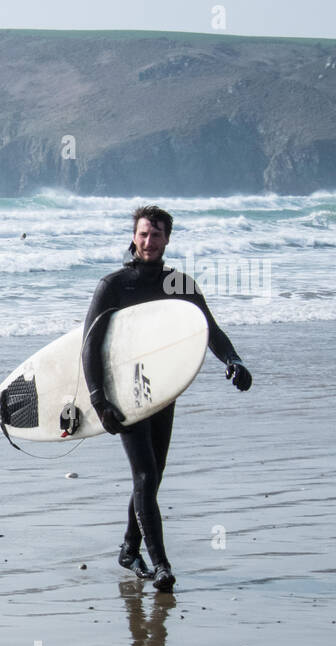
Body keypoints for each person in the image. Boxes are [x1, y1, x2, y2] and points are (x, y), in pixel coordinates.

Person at [82, 206, 252, 592]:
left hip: (162, 391)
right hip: (124, 392)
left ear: (167, 239)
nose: (148, 241)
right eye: (143, 234)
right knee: (144, 475)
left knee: (152, 476)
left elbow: (207, 329)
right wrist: (98, 399)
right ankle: (161, 565)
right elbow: (89, 346)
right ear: (134, 236)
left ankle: (128, 550)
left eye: (156, 235)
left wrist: (233, 360)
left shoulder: (180, 285)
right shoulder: (114, 285)